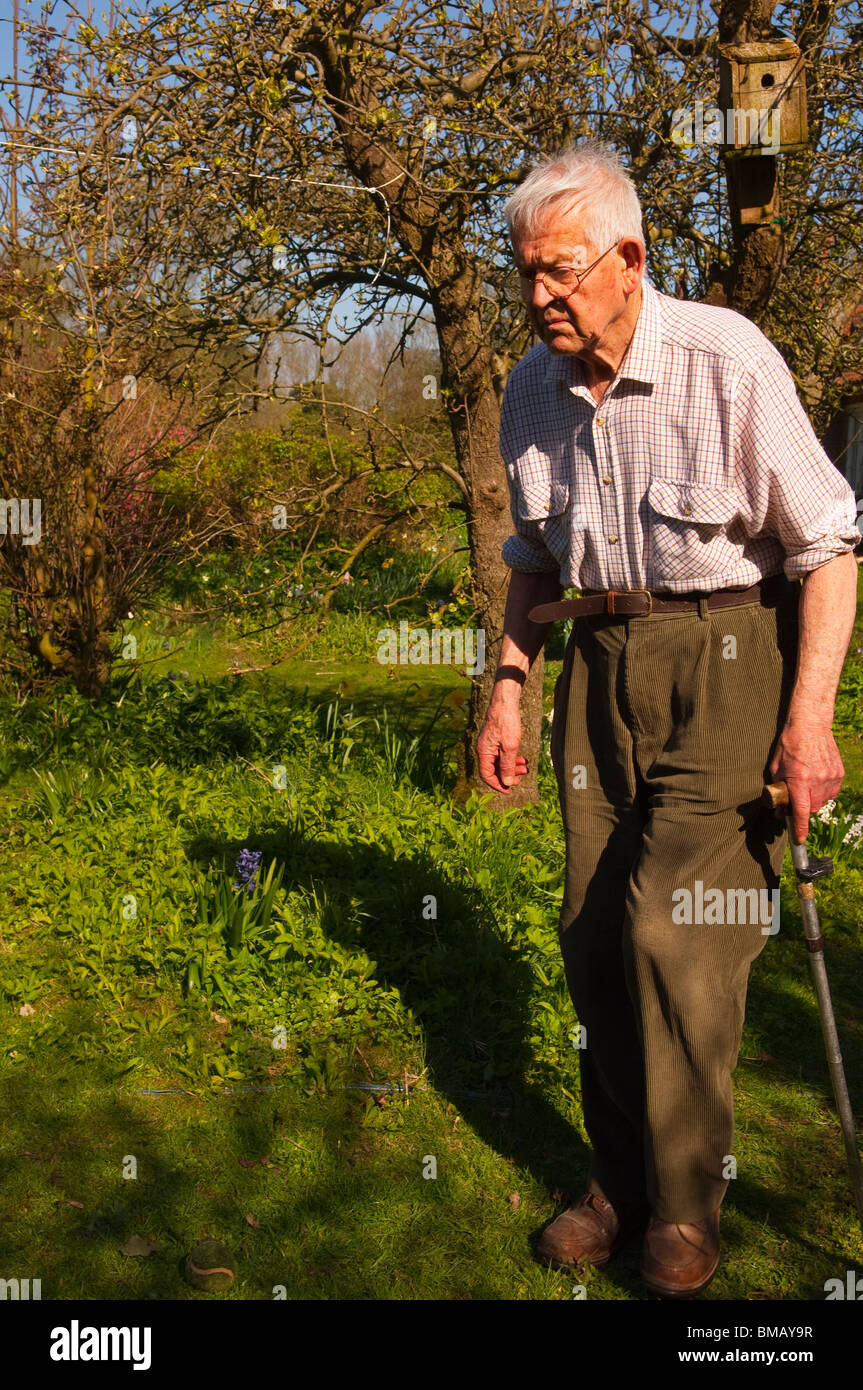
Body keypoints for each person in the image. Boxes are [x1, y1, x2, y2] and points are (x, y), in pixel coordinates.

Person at [477, 140, 860, 1298]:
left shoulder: (725, 358)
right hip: (596, 660)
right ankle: (620, 1183)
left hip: (727, 651)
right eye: (524, 274)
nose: (538, 295)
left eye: (558, 270)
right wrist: (505, 679)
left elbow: (828, 546)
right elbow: (531, 560)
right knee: (593, 931)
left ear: (629, 258)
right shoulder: (529, 391)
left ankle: (687, 1206)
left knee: (672, 928)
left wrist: (808, 722)